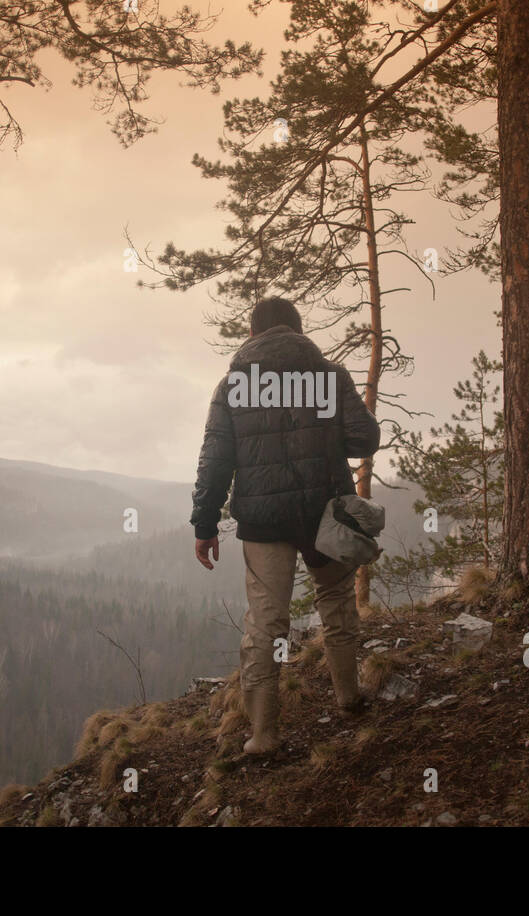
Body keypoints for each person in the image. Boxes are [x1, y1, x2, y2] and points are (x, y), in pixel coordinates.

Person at [190, 297, 381, 755]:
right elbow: (364, 439)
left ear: (253, 334)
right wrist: (321, 431)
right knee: (336, 601)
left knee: (265, 623)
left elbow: (216, 460)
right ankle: (349, 697)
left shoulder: (233, 384)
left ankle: (262, 736)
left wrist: (205, 522)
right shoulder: (330, 376)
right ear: (297, 331)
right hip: (324, 510)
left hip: (263, 520)